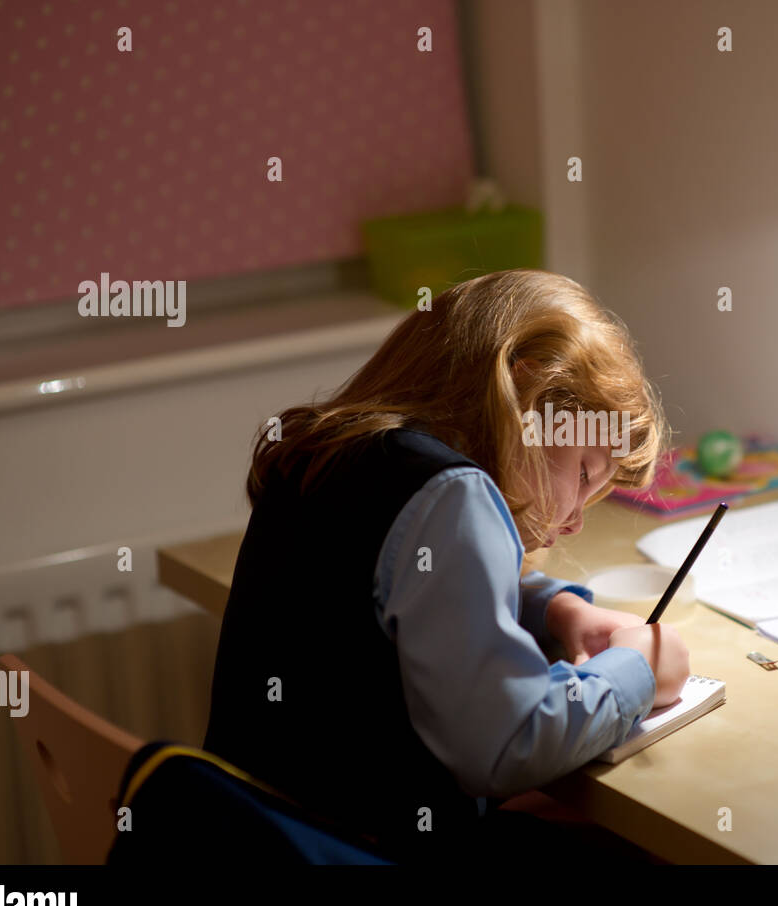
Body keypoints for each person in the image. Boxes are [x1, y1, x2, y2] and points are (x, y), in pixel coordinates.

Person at [203, 269, 690, 863]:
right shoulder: (453, 495)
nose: (574, 522)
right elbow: (508, 744)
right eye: (584, 473)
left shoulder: (332, 451)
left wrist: (555, 608)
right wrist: (637, 671)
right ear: (523, 394)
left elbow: (410, 585)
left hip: (255, 830)